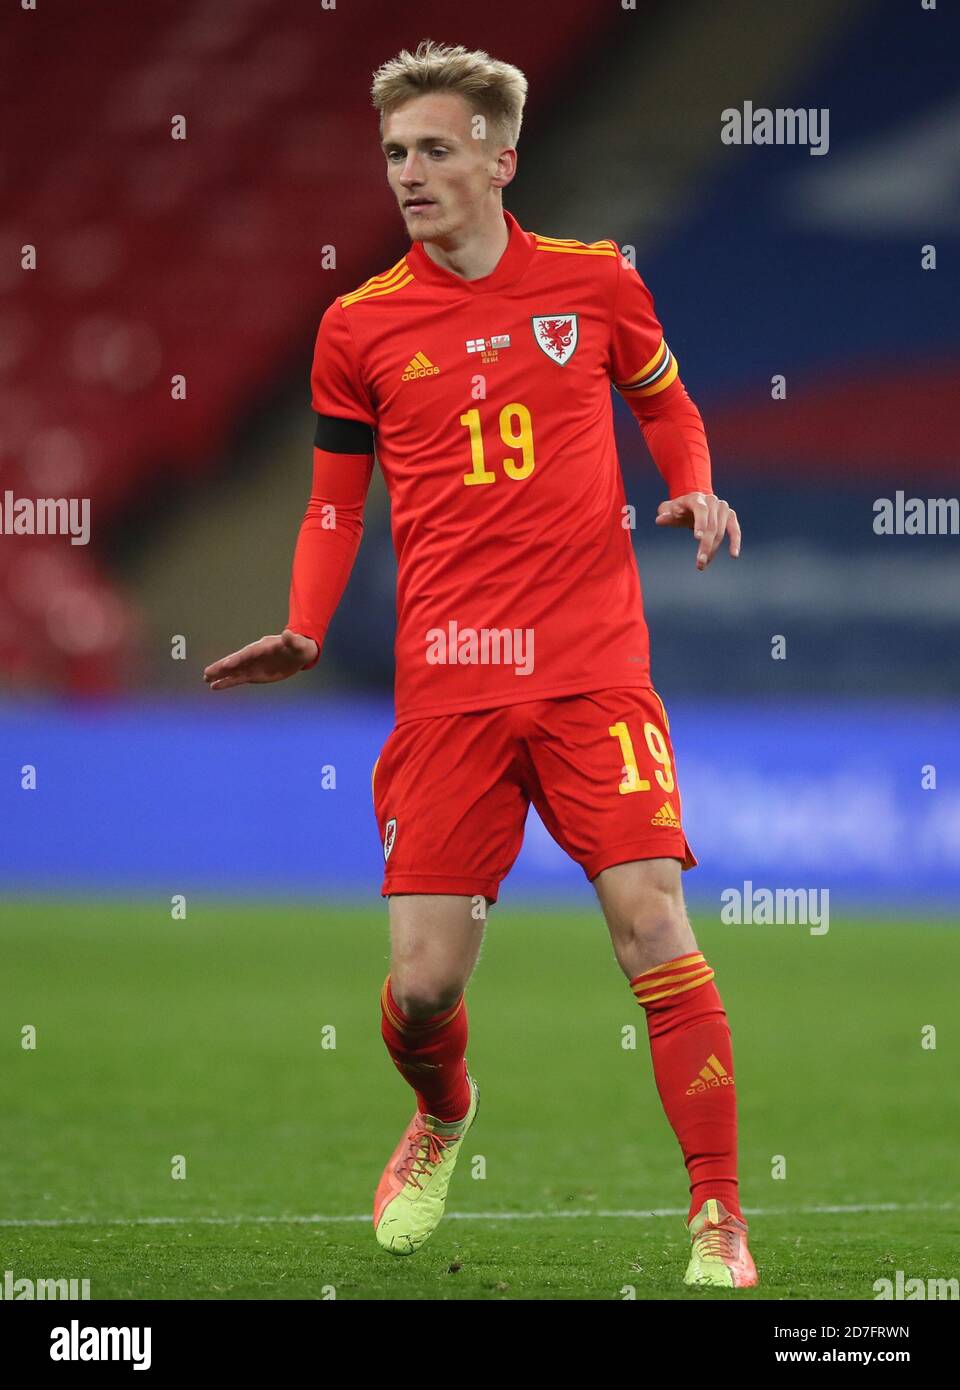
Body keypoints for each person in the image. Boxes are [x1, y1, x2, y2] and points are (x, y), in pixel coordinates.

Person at [203, 38, 754, 1289]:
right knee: (420, 988)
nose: (409, 171)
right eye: (395, 152)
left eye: (435, 150)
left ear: (501, 160)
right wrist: (304, 621)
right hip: (449, 685)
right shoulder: (357, 327)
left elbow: (663, 401)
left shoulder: (596, 285)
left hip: (593, 670)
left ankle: (717, 1218)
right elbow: (334, 505)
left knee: (653, 921)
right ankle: (445, 1114)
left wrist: (696, 484)